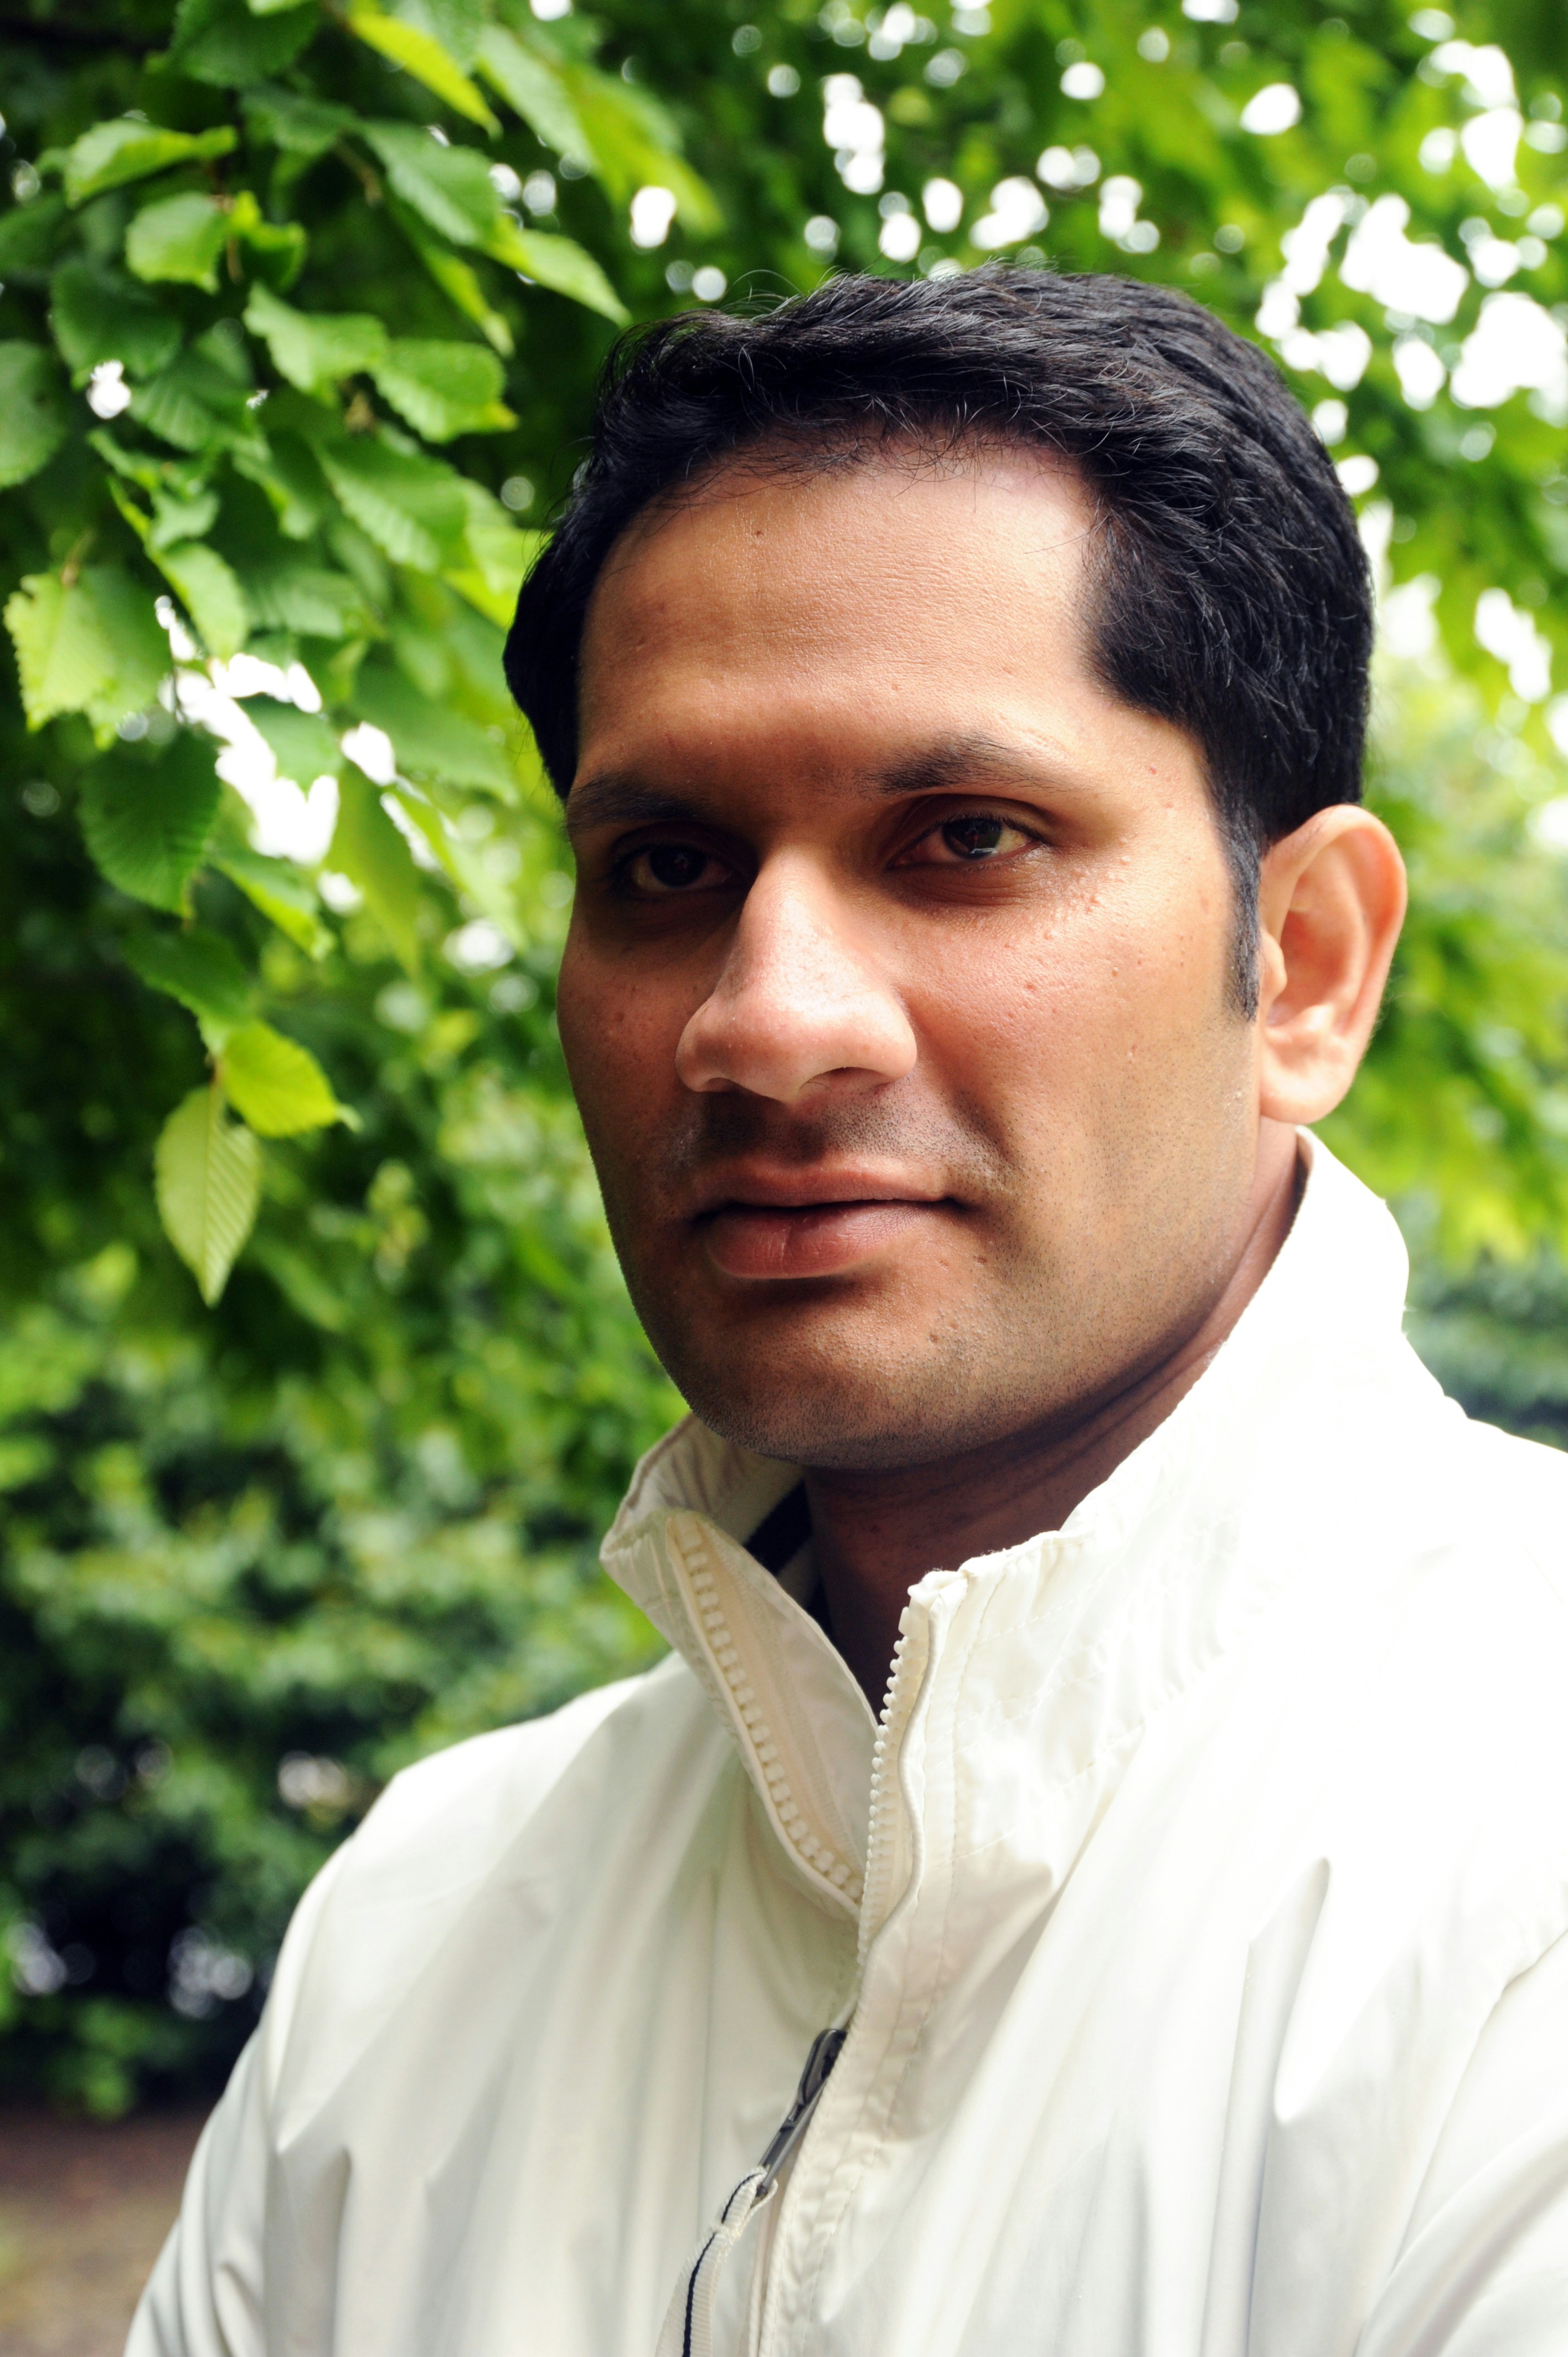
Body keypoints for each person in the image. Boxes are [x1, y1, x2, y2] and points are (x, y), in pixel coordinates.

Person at [130, 268, 1568, 2357]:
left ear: (1312, 964)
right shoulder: (419, 1928)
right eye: (666, 865)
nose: (763, 1020)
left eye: (966, 838)